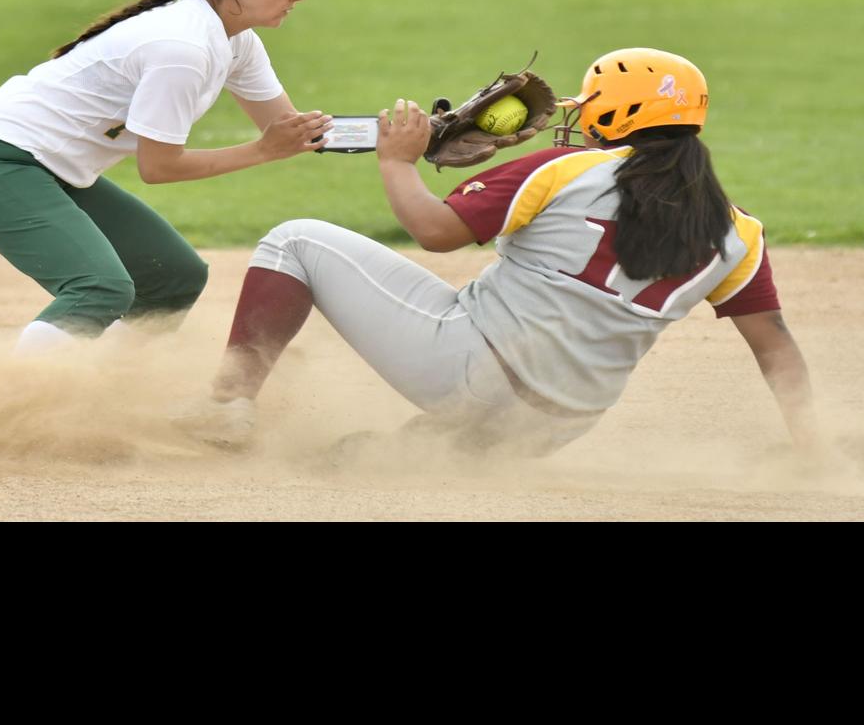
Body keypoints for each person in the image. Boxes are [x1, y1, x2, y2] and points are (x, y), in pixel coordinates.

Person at [180, 47, 816, 457]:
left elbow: (436, 232)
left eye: (591, 107)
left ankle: (226, 406)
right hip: (557, 427)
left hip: (471, 378)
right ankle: (428, 450)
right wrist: (814, 449)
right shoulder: (738, 232)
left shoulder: (566, 170)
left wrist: (398, 160)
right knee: (370, 456)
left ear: (615, 115)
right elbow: (776, 349)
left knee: (295, 240)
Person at [0, 0, 331, 354]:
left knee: (172, 278)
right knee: (98, 287)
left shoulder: (236, 40)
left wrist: (363, 138)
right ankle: (13, 399)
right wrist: (262, 150)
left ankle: (104, 389)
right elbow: (159, 167)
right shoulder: (182, 49)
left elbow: (287, 126)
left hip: (47, 167)